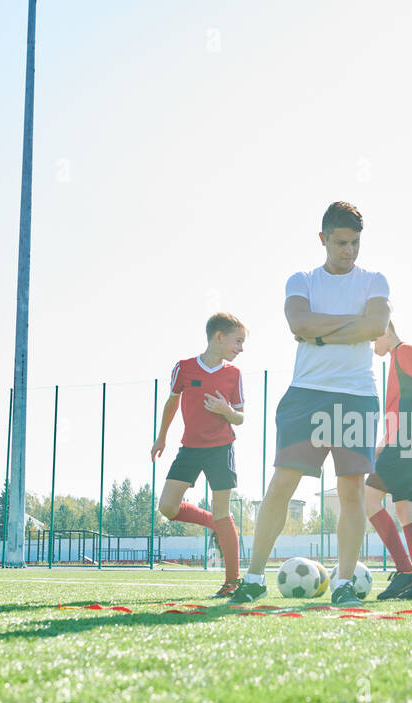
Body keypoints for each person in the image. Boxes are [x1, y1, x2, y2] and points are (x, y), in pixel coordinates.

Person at [228, 201, 390, 607]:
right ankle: (252, 578)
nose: (348, 251)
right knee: (282, 485)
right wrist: (343, 328)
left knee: (351, 492)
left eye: (355, 243)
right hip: (307, 394)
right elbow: (299, 324)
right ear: (322, 239)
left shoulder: (375, 280)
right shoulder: (301, 280)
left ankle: (343, 585)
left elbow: (376, 327)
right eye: (340, 243)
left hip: (357, 397)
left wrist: (321, 332)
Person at [150, 313, 246, 597]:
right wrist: (161, 436)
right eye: (237, 341)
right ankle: (211, 523)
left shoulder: (234, 374)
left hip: (221, 449)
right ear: (219, 336)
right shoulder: (184, 368)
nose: (241, 348)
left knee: (223, 513)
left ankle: (232, 582)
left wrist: (226, 412)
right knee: (167, 507)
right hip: (190, 448)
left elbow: (240, 417)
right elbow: (172, 402)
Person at [366, 321, 412, 599]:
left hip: (406, 444)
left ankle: (406, 571)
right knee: (405, 512)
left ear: (384, 330)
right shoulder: (396, 359)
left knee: (368, 499)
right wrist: (384, 444)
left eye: (372, 340)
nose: (371, 348)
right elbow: (404, 407)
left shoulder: (406, 351)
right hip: (400, 443)